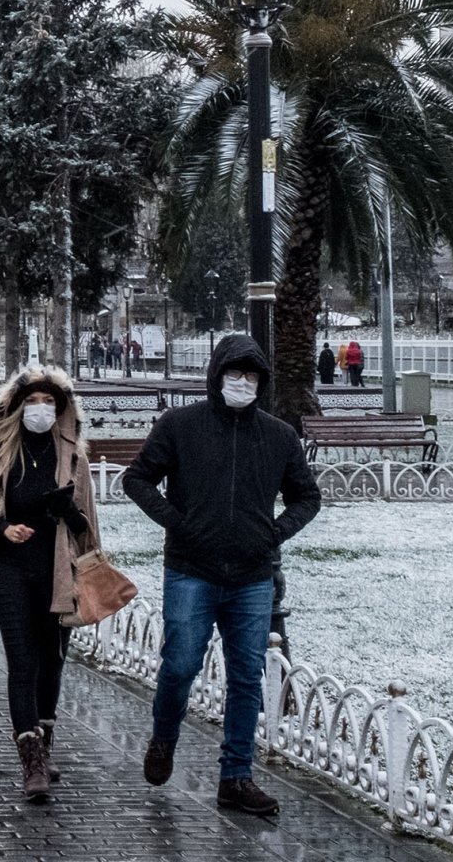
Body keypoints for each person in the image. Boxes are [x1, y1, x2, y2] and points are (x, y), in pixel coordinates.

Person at [121, 334, 321, 817]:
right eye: (235, 374)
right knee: (180, 664)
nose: (242, 383)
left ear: (262, 382)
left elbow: (307, 496)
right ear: (216, 376)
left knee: (247, 678)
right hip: (192, 569)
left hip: (252, 575)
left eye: (251, 376)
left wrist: (274, 533)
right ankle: (164, 737)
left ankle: (236, 776)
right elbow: (137, 478)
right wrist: (176, 522)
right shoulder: (181, 425)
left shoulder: (278, 436)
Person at [0, 366, 103, 804]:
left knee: (51, 660)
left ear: (61, 409)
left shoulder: (72, 457)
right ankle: (31, 760)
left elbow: (86, 526)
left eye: (48, 402)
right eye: (32, 402)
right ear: (16, 408)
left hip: (58, 572)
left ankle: (45, 740)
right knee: (23, 662)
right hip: (10, 571)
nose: (40, 409)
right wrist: (5, 527)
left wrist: (67, 511)